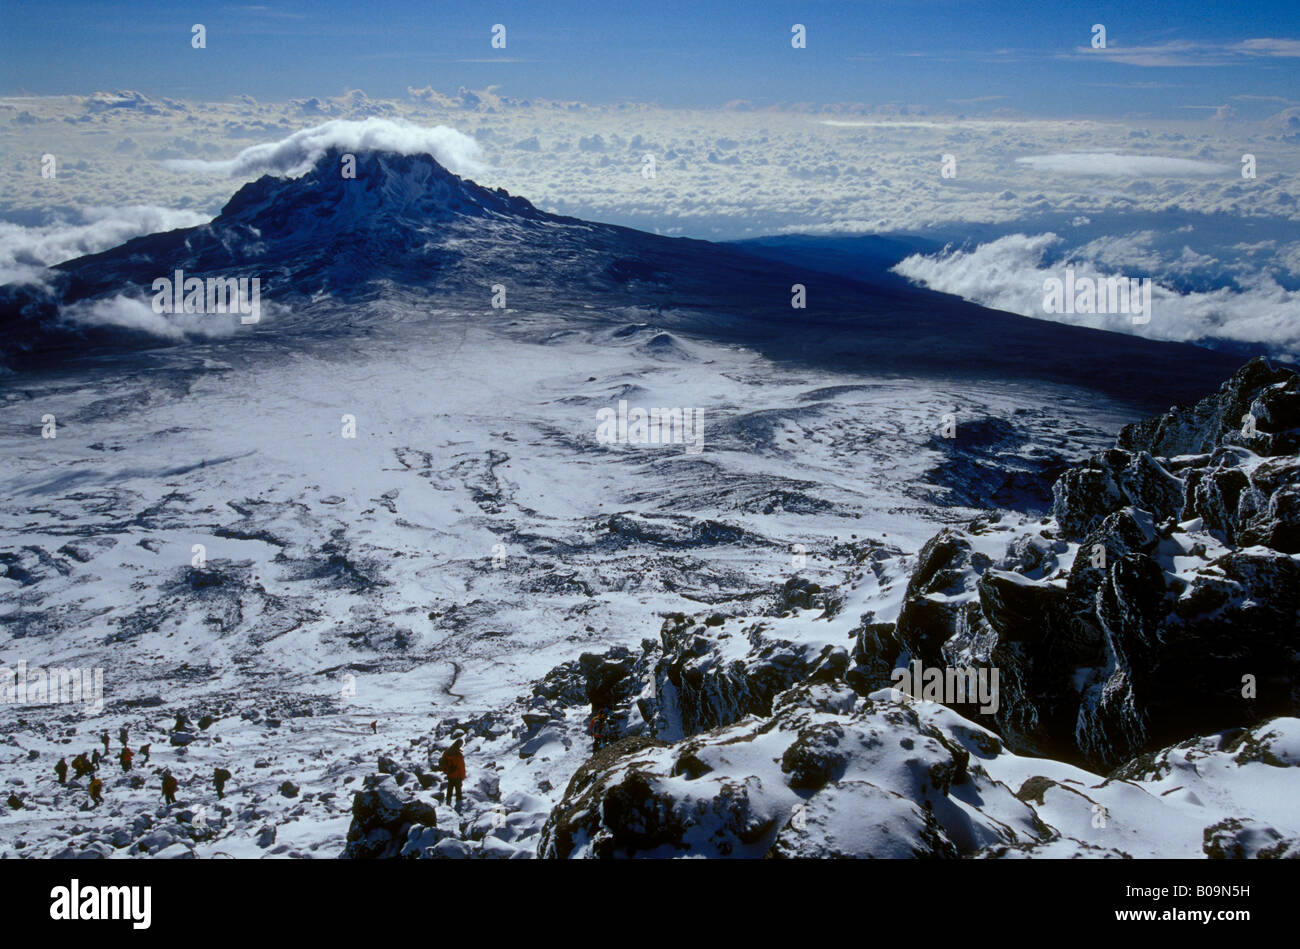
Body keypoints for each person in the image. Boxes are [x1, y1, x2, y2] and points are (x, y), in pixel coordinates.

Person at [437, 738, 466, 808]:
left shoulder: (447, 752)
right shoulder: (458, 755)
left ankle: (448, 802)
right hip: (457, 775)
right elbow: (461, 767)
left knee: (450, 789)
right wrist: (463, 776)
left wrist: (446, 771)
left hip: (450, 774)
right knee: (458, 790)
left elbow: (443, 763)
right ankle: (459, 804)